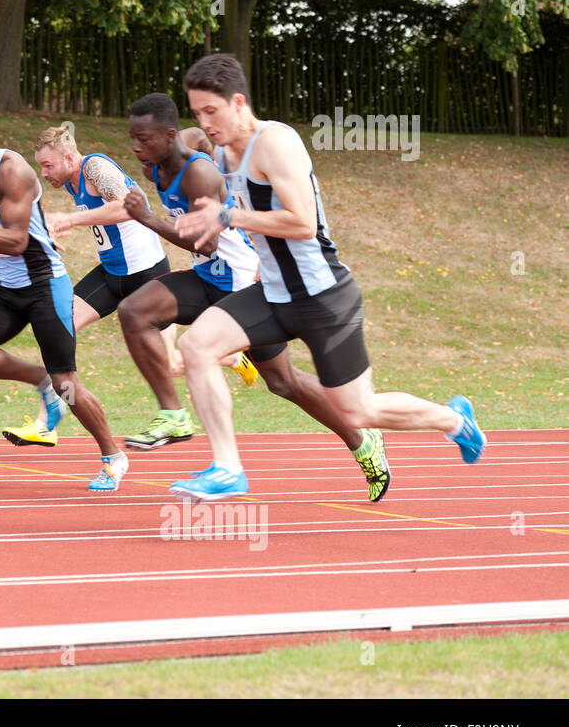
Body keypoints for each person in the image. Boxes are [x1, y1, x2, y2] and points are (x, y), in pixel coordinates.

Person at [170, 54, 485, 501]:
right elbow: (255, 219)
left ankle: (453, 420)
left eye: (211, 111)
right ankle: (227, 468)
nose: (205, 122)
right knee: (196, 346)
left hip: (323, 298)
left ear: (238, 102)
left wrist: (227, 216)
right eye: (197, 112)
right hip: (273, 294)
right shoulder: (223, 153)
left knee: (357, 411)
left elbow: (302, 222)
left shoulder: (274, 142)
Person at [117, 92, 392, 501]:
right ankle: (173, 414)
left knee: (283, 382)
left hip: (240, 281)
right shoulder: (167, 156)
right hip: (207, 277)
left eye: (144, 139)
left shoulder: (198, 174)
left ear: (167, 136)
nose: (136, 148)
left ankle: (362, 439)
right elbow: (194, 136)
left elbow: (206, 242)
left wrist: (147, 218)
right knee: (134, 311)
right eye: (133, 138)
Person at [0, 112, 129, 491]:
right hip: (8, 288)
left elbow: (17, 241)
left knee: (68, 383)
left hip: (46, 286)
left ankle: (113, 456)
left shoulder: (12, 171)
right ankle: (40, 380)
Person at [0, 125, 174, 452]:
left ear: (69, 158)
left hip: (146, 274)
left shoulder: (95, 167)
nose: (43, 173)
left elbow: (126, 207)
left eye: (48, 165)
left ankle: (230, 357)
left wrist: (70, 220)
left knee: (172, 363)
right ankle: (47, 423)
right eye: (40, 166)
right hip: (111, 273)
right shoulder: (71, 180)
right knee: (55, 329)